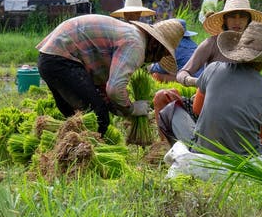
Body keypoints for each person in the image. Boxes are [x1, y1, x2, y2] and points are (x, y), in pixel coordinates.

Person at [161, 22, 262, 167]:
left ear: (237, 50)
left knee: (170, 111)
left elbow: (197, 109)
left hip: (201, 153)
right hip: (245, 161)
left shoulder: (213, 69)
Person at [36, 14, 185, 137]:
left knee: (75, 117)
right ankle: (87, 161)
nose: (157, 59)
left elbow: (102, 87)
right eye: (162, 54)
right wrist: (131, 109)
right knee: (97, 117)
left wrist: (119, 109)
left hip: (50, 57)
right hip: (62, 59)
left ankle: (68, 159)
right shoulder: (136, 45)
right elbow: (114, 89)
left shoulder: (132, 34)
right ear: (156, 44)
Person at [153, 0, 262, 143]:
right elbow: (182, 73)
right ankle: (166, 147)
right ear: (225, 20)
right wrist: (201, 82)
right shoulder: (212, 44)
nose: (237, 21)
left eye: (242, 17)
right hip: (203, 104)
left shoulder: (253, 50)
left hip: (239, 109)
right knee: (162, 97)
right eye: (232, 17)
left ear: (248, 21)